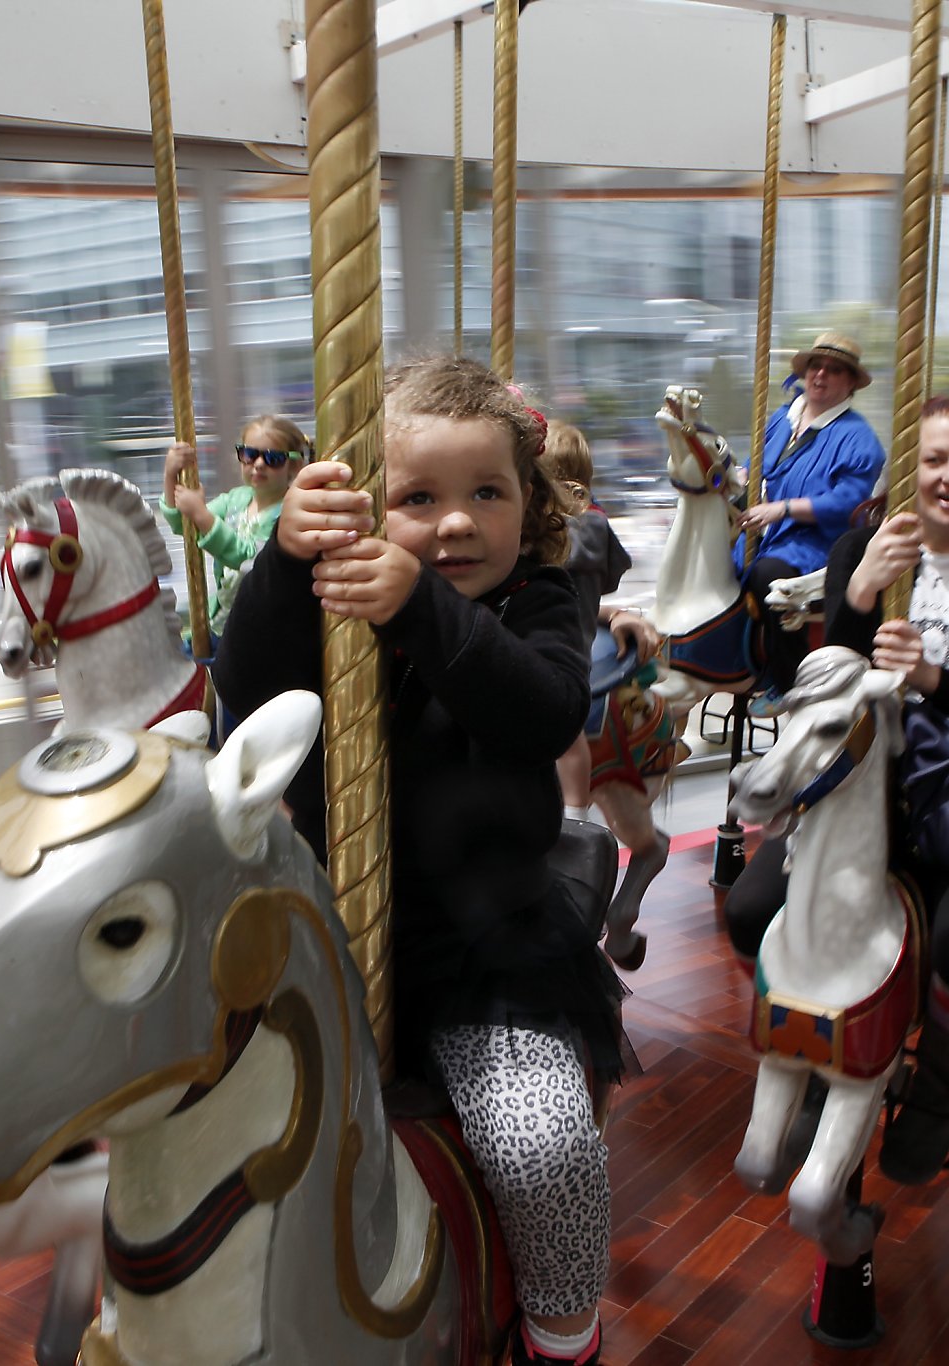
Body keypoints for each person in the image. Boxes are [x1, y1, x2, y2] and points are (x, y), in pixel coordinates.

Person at [213, 357, 622, 1366]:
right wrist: (283, 560)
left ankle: (562, 1327)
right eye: (419, 499)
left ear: (529, 504)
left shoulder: (538, 600)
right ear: (366, 507)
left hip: (483, 952)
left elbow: (541, 709)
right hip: (323, 939)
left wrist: (417, 610)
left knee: (544, 1144)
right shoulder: (333, 601)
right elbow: (247, 688)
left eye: (486, 493)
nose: (455, 523)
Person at [723, 396, 949, 1185]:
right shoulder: (861, 549)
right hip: (859, 793)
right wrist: (862, 591)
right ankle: (818, 1049)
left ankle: (938, 1087)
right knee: (749, 912)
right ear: (912, 468)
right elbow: (833, 678)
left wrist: (932, 678)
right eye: (935, 459)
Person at [735, 332, 887, 714]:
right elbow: (756, 468)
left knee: (768, 575)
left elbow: (848, 501)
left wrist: (783, 509)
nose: (820, 375)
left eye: (834, 370)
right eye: (816, 366)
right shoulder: (780, 420)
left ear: (850, 384)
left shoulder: (859, 439)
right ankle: (730, 660)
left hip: (815, 542)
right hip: (770, 531)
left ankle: (787, 680)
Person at [538, 418, 657, 812]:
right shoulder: (595, 524)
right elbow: (604, 582)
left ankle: (575, 813)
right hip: (577, 638)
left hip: (558, 652)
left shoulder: (553, 531)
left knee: (563, 731)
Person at [160, 414, 311, 645]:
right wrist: (171, 475)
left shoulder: (288, 513)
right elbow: (184, 524)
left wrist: (201, 514)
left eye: (273, 458)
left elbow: (249, 559)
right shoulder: (235, 500)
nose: (258, 464)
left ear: (295, 464)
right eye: (250, 455)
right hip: (222, 624)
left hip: (262, 631)